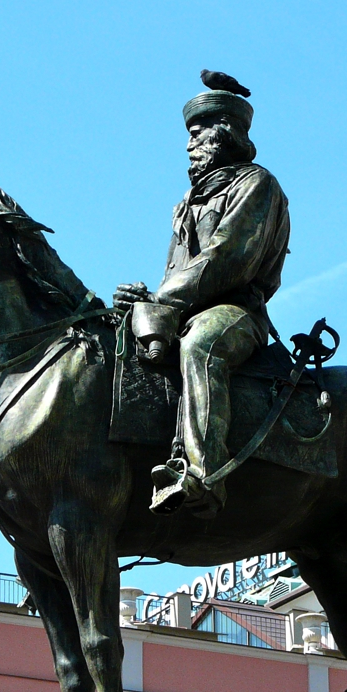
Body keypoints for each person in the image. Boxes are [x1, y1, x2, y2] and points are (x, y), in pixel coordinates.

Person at [114, 83, 291, 517]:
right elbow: (177, 272)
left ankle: (201, 474)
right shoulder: (186, 204)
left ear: (224, 132)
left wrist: (161, 298)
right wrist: (143, 301)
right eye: (189, 133)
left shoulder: (257, 184)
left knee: (202, 347)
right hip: (186, 307)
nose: (189, 143)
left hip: (236, 312)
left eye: (198, 132)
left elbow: (229, 257)